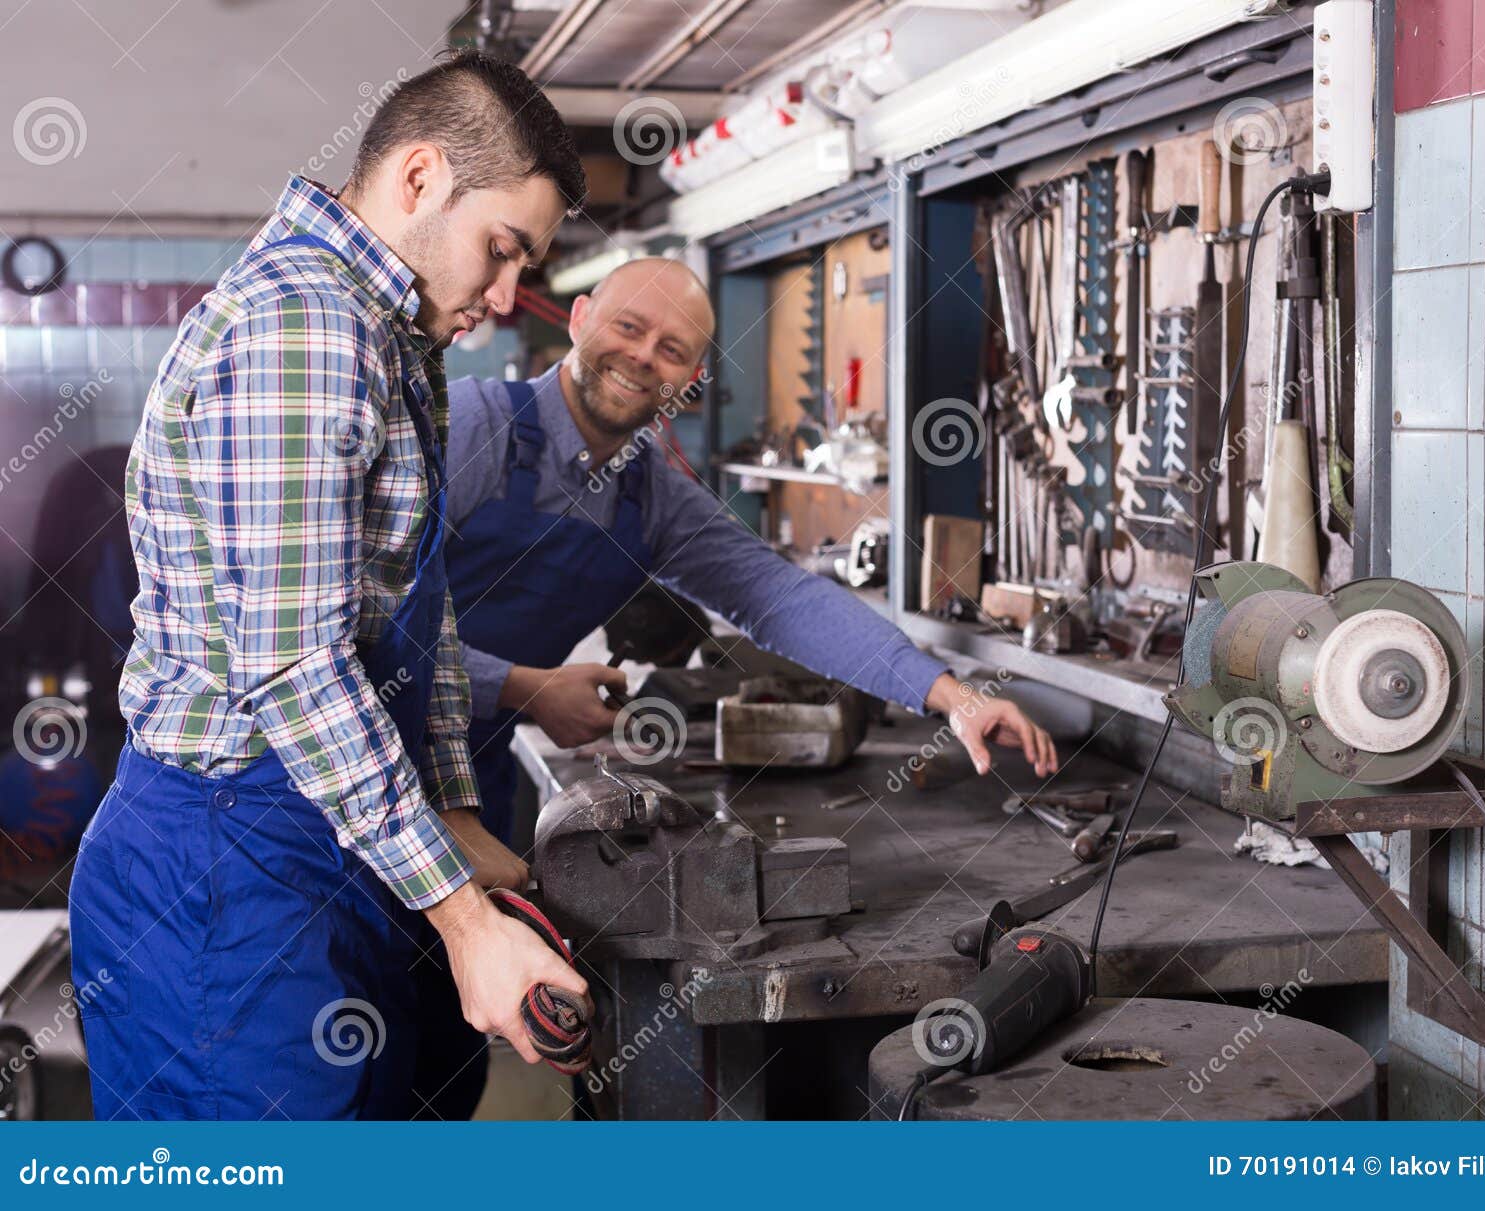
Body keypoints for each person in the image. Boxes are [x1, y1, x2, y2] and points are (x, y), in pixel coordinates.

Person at [68, 50, 587, 1121]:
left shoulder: (395, 335)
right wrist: (460, 919)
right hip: (225, 874)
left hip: (319, 839)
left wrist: (452, 817)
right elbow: (297, 664)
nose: (501, 299)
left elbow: (415, 605)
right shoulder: (305, 325)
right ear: (419, 178)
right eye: (502, 252)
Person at [430, 256, 1060, 1116]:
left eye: (672, 348)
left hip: (469, 780)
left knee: (436, 1063)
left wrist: (951, 694)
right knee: (312, 1062)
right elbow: (348, 624)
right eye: (627, 328)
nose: (643, 356)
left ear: (691, 378)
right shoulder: (467, 426)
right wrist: (524, 687)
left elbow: (780, 598)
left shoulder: (651, 496)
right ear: (579, 319)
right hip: (339, 782)